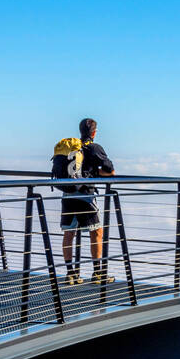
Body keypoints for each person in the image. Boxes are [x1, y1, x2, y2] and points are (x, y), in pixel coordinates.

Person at [61, 117, 116, 285]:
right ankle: (98, 273)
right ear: (94, 132)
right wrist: (97, 174)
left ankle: (71, 274)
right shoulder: (94, 148)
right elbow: (111, 171)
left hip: (68, 194)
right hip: (86, 195)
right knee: (96, 232)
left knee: (69, 233)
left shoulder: (71, 147)